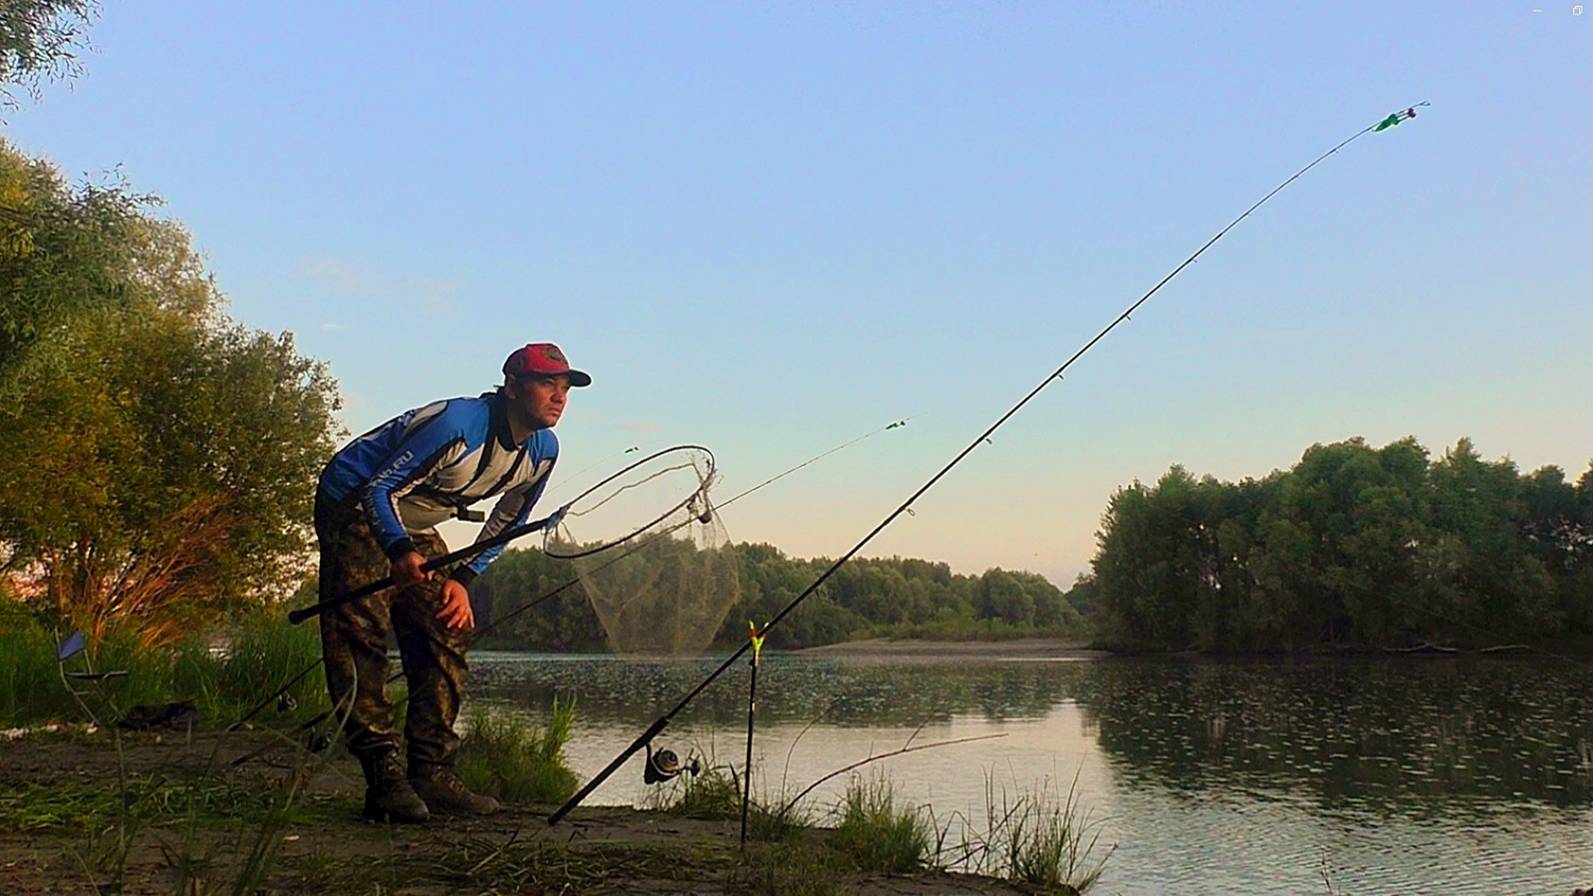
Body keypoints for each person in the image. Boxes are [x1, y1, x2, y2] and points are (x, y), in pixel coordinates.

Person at [314, 342, 590, 822]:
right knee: (359, 630)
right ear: (511, 388)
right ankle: (382, 774)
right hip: (354, 501)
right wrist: (399, 552)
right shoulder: (457, 427)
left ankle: (432, 772)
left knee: (447, 623)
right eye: (547, 383)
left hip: (414, 519)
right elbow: (378, 488)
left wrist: (464, 578)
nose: (559, 396)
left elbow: (508, 520)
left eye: (565, 386)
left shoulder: (544, 450)